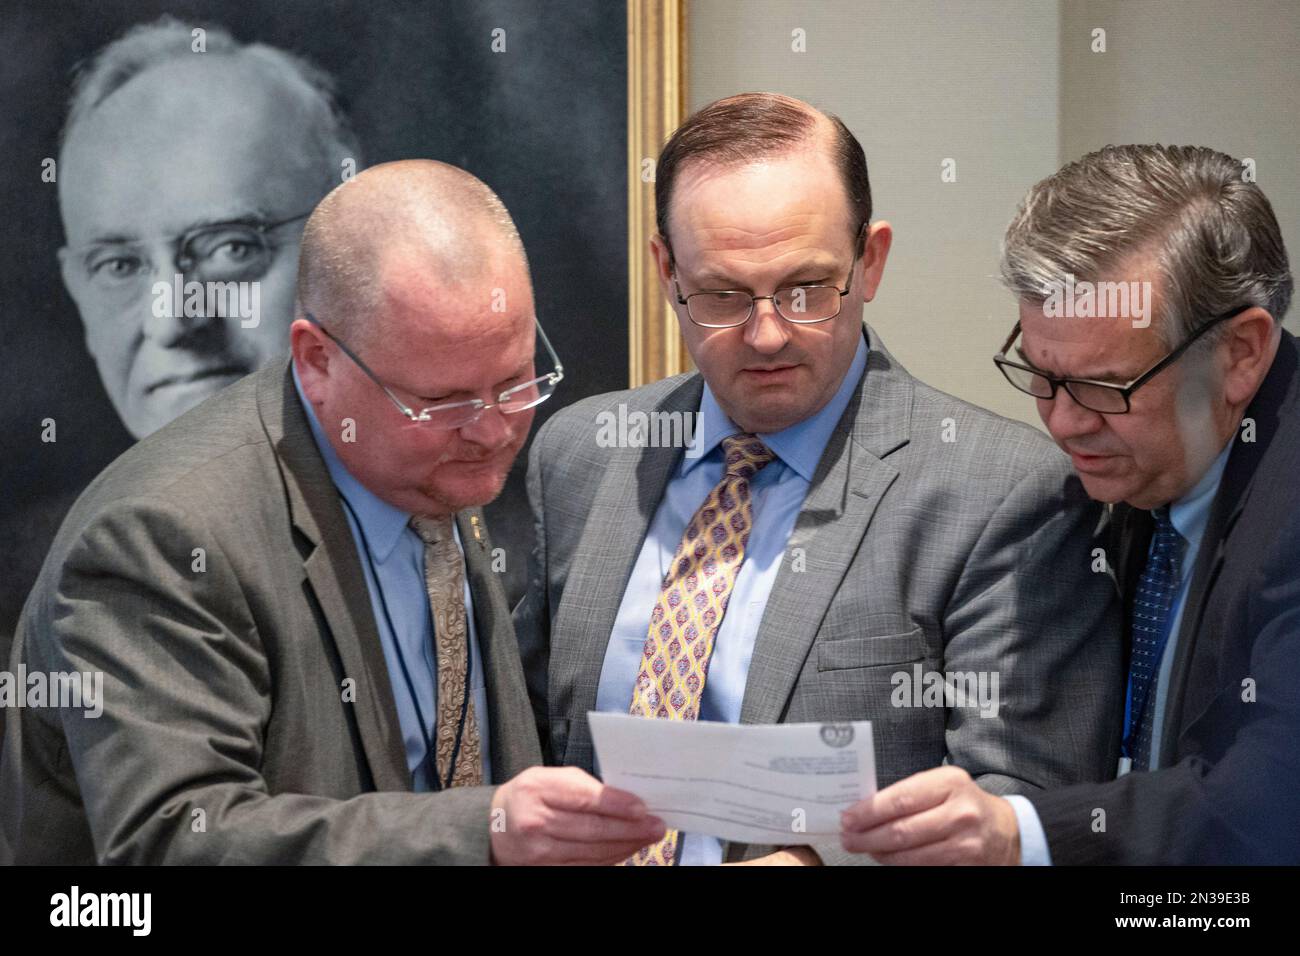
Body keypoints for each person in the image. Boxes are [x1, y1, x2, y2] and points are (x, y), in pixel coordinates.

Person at [514, 93, 1121, 865]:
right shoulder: (580, 457)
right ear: (667, 270)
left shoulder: (1004, 493)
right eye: (724, 295)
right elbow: (526, 745)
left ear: (870, 260)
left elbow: (1025, 799)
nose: (767, 334)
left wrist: (820, 861)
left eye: (806, 289)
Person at [0, 160, 664, 865]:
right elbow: (175, 843)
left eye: (517, 382)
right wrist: (482, 831)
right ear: (317, 360)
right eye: (445, 403)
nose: (494, 430)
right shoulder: (159, 538)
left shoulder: (429, 465)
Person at [842, 145, 1300, 864]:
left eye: (1105, 387)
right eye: (1041, 375)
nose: (1062, 423)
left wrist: (1016, 835)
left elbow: (1267, 804)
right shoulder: (1138, 477)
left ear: (1242, 352)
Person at [56, 15, 359, 440]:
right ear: (78, 291)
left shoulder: (463, 498)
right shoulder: (79, 511)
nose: (171, 323)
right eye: (119, 266)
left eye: (231, 249)